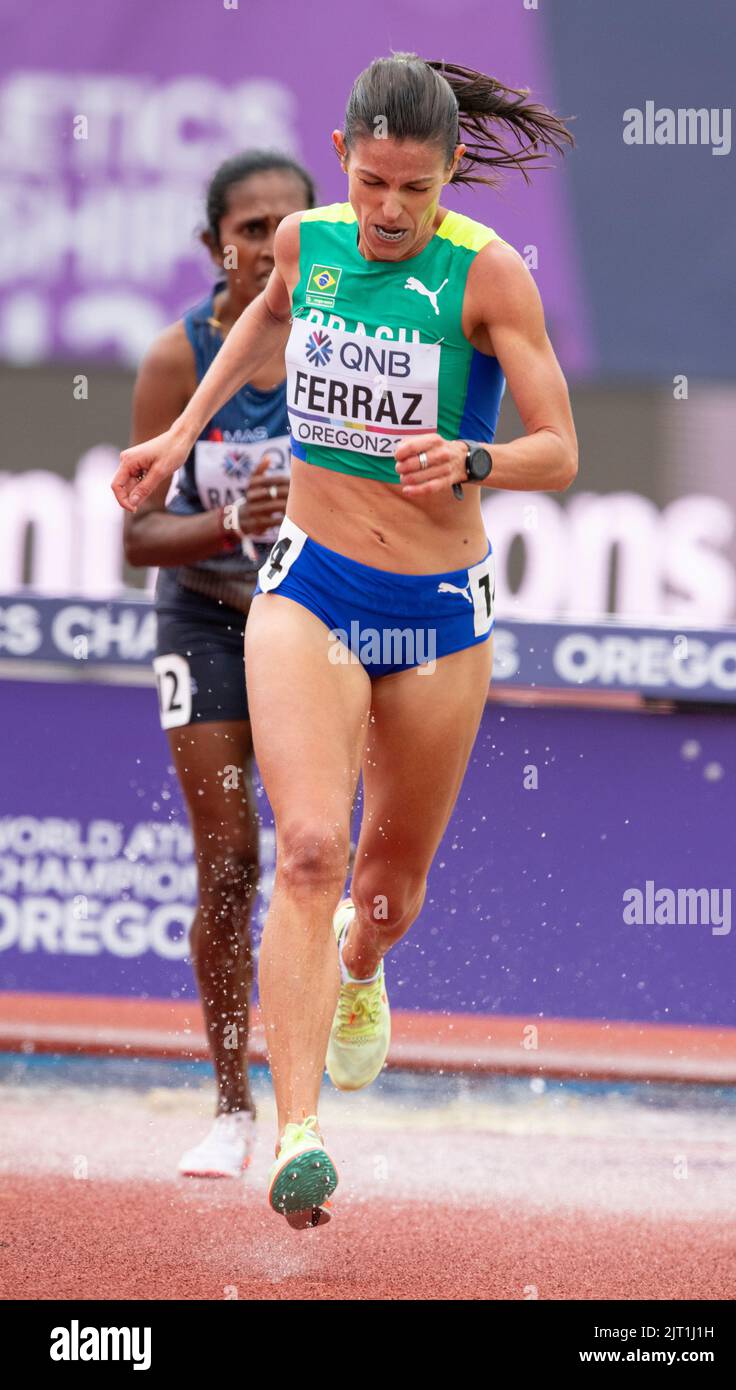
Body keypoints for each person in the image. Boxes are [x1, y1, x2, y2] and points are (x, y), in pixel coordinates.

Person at [113, 53, 578, 1225]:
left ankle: (362, 970)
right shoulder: (305, 243)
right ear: (340, 161)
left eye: (412, 192)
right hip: (310, 587)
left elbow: (558, 449)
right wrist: (173, 442)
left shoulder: (488, 278)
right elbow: (259, 325)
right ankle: (297, 1133)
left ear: (449, 175)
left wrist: (475, 458)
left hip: (434, 614)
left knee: (384, 885)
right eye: (370, 183)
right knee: (310, 845)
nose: (385, 213)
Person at [123, 150, 316, 1179]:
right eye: (250, 228)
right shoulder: (179, 354)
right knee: (232, 860)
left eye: (289, 224)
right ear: (214, 246)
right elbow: (137, 534)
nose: (269, 244)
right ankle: (231, 1105)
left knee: (321, 853)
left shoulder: (345, 341)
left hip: (314, 621)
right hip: (203, 622)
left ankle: (310, 1095)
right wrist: (226, 523)